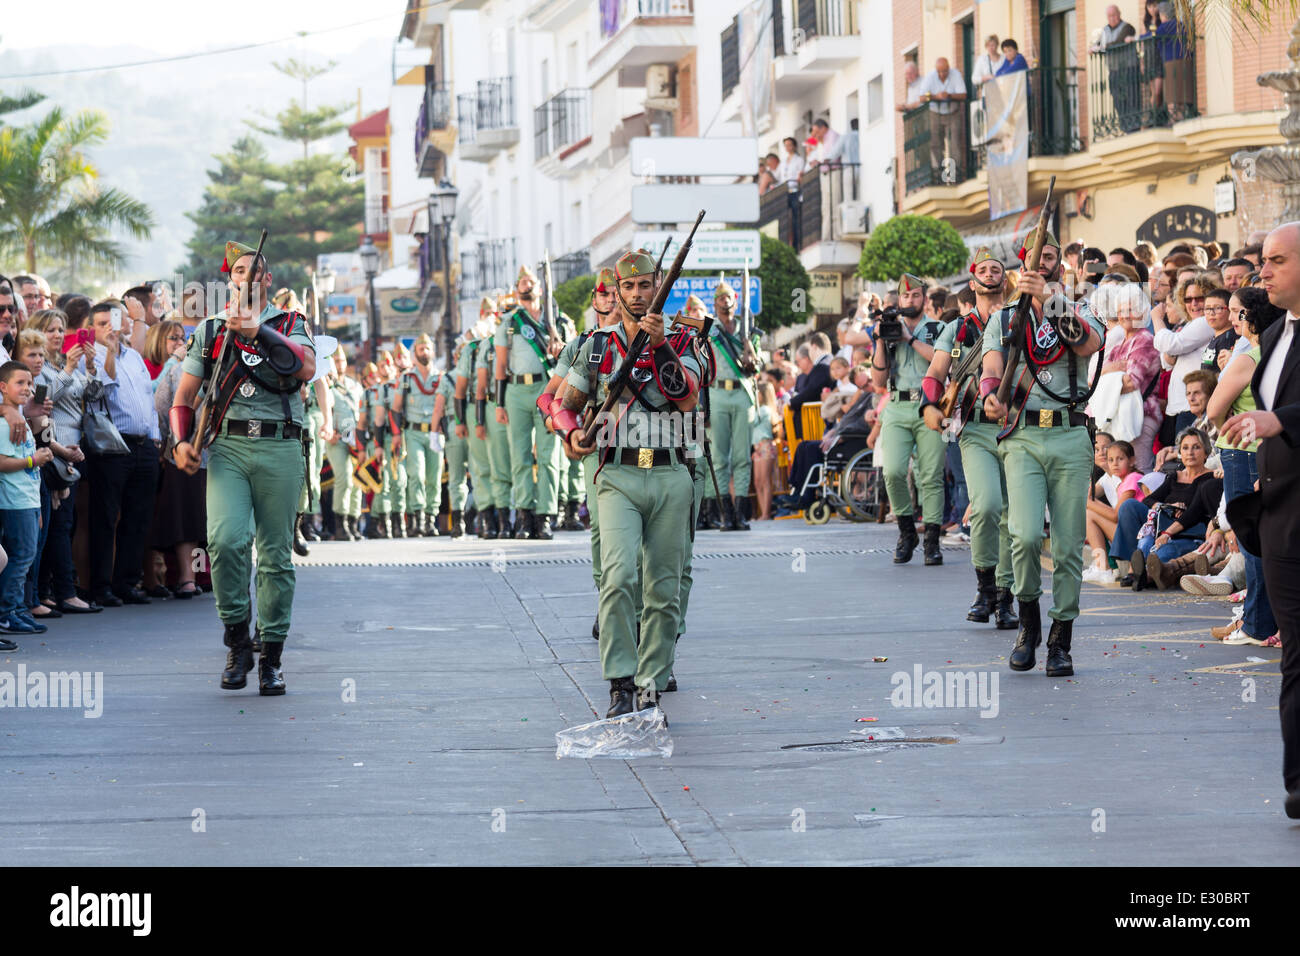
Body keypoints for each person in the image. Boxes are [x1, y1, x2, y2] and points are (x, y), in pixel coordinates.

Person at [553, 249, 703, 719]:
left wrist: (660, 347)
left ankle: (651, 684)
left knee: (663, 588)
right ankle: (620, 681)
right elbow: (564, 403)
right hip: (615, 473)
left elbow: (684, 399)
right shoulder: (597, 346)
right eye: (629, 288)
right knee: (618, 576)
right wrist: (571, 433)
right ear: (615, 293)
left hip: (671, 472)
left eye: (646, 286)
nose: (638, 295)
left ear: (659, 285)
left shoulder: (684, 340)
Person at [171, 239, 316, 696]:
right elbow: (184, 398)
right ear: (229, 280)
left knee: (275, 558)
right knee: (225, 541)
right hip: (229, 446)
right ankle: (237, 638)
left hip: (281, 446)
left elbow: (305, 367)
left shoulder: (292, 322)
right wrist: (179, 442)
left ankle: (271, 656)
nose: (247, 277)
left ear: (267, 281)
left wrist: (259, 333)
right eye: (238, 271)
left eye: (255, 271)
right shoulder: (211, 330)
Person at [981, 225, 1107, 678]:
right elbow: (993, 365)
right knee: (1026, 535)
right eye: (1034, 258)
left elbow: (1086, 343)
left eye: (1050, 258)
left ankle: (1061, 638)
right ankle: (1028, 620)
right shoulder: (1005, 318)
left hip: (1071, 436)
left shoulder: (1084, 308)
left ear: (1062, 266)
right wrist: (991, 393)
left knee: (1070, 544)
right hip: (1023, 435)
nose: (1042, 265)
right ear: (1021, 266)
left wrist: (1048, 302)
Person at [1219, 222, 1300, 817]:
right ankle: (1298, 781)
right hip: (1280, 515)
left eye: (1275, 261)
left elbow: (1282, 414)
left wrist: (1282, 422)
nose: (1261, 272)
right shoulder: (1272, 334)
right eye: (1262, 261)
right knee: (1296, 648)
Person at [920, 247, 1018, 625]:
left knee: (1014, 516)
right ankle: (985, 587)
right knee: (988, 506)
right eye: (984, 269)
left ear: (1005, 280)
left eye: (998, 268)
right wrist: (928, 405)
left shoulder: (1019, 320)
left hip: (1014, 427)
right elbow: (935, 373)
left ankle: (1007, 597)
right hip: (975, 428)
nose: (992, 273)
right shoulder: (956, 329)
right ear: (973, 281)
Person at [1208, 285, 1283, 646]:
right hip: (1270, 448)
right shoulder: (1278, 349)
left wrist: (1229, 425)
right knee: (1267, 538)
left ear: (1248, 315)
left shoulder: (1249, 356)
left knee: (1251, 539)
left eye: (1236, 311)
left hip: (1242, 449)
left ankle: (1256, 624)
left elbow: (1212, 409)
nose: (1232, 318)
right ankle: (1257, 618)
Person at [79, 299, 160, 607]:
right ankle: (100, 586)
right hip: (112, 447)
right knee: (105, 516)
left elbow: (147, 398)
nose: (110, 328)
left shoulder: (135, 358)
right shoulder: (94, 357)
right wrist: (110, 350)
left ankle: (126, 581)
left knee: (138, 517)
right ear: (92, 328)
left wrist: (155, 437)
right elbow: (104, 388)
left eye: (114, 320)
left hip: (143, 445)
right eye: (102, 323)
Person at [26, 309, 100, 614]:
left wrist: (91, 367)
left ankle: (51, 591)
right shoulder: (43, 366)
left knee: (62, 525)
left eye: (60, 329)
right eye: (51, 329)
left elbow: (92, 395)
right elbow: (44, 402)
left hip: (72, 448)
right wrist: (69, 368)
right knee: (55, 526)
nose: (58, 335)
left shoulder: (57, 363)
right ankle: (52, 593)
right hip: (53, 450)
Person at [870, 275, 946, 564]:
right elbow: (878, 379)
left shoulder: (938, 328)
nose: (910, 301)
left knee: (931, 476)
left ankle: (932, 540)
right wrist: (880, 339)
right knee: (892, 472)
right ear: (898, 301)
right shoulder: (890, 328)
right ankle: (906, 531)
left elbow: (941, 362)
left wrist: (908, 339)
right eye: (906, 297)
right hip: (897, 406)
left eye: (915, 295)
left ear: (924, 299)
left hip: (930, 405)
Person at [495, 265, 567, 540]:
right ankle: (524, 515)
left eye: (531, 281)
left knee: (549, 455)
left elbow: (574, 359)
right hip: (516, 391)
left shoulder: (559, 321)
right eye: (522, 282)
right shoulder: (510, 322)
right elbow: (500, 366)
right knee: (520, 455)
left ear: (541, 288)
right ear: (517, 290)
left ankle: (545, 516)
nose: (527, 285)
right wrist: (499, 404)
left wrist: (560, 344)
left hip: (548, 388)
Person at [0, 360, 54, 645]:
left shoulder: (21, 417)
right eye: (19, 383)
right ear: (3, 387)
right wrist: (34, 459)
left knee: (26, 556)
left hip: (28, 498)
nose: (27, 388)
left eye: (29, 384)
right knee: (19, 557)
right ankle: (6, 611)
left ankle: (16, 608)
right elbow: (3, 462)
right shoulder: (5, 422)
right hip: (14, 502)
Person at [702, 279, 760, 531]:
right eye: (720, 299)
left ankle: (741, 513)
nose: (725, 303)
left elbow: (757, 366)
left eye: (729, 299)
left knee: (742, 457)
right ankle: (725, 513)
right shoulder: (710, 330)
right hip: (717, 394)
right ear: (714, 305)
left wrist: (750, 351)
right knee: (719, 457)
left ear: (736, 303)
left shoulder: (746, 329)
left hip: (741, 393)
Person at [1093, 282, 1161, 468]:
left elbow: (1131, 381)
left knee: (1137, 470)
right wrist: (1113, 369)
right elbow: (1094, 378)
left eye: (1130, 309)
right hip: (1120, 415)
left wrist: (1107, 375)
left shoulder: (1144, 340)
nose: (1124, 315)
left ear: (1142, 312)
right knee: (1119, 473)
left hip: (1142, 415)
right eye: (1121, 310)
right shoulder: (1122, 341)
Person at [1152, 271, 1220, 439]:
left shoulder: (1205, 321)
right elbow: (1167, 360)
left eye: (1200, 298)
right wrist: (1171, 350)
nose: (1194, 304)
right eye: (1188, 299)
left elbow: (1172, 345)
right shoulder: (1191, 324)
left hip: (1193, 405)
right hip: (1180, 405)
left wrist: (1157, 319)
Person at [393, 333, 444, 537]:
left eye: (427, 348)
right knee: (417, 475)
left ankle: (431, 518)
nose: (424, 352)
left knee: (434, 477)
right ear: (414, 354)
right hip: (413, 433)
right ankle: (418, 518)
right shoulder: (407, 379)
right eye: (420, 349)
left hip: (435, 433)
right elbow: (396, 408)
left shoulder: (441, 377)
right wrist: (397, 435)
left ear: (433, 351)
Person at [454, 300, 497, 537]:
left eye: (494, 314)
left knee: (501, 464)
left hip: (499, 404)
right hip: (474, 406)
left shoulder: (503, 340)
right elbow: (459, 389)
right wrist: (460, 421)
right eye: (487, 314)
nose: (492, 318)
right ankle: (486, 516)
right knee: (481, 466)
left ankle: (504, 515)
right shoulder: (470, 347)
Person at [920, 58, 967, 180]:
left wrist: (949, 95)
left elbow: (963, 94)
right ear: (936, 70)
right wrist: (936, 96)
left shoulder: (955, 74)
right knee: (935, 144)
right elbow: (921, 97)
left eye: (944, 71)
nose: (942, 74)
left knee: (954, 143)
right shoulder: (930, 77)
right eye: (939, 71)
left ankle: (953, 175)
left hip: (952, 112)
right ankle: (938, 176)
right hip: (935, 113)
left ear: (948, 68)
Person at [751, 380, 782, 520]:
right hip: (757, 447)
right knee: (758, 481)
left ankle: (766, 513)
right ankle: (763, 511)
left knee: (765, 481)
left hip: (765, 446)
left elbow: (752, 421)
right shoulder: (760, 409)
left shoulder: (764, 410)